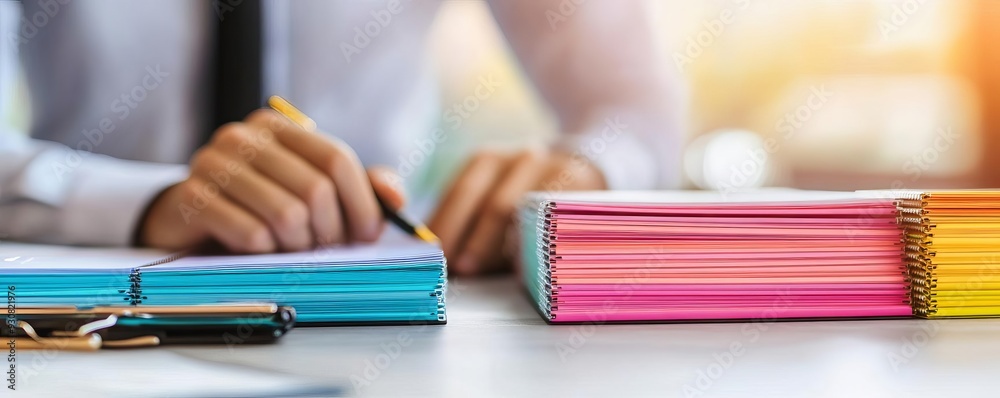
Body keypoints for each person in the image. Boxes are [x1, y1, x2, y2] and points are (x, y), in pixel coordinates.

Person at [0, 0, 683, 275]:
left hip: (386, 293)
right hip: (84, 294)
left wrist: (581, 171)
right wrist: (149, 204)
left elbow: (637, 111)